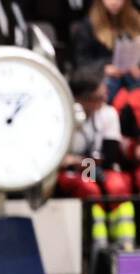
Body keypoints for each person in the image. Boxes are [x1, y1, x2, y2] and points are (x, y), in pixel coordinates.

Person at [59, 68, 136, 249]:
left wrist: (78, 161)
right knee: (89, 188)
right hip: (71, 172)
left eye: (104, 96)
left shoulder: (108, 114)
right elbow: (60, 160)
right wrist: (82, 163)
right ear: (81, 100)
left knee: (118, 185)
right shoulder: (63, 116)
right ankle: (97, 246)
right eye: (98, 98)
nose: (104, 100)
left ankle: (126, 245)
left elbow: (109, 158)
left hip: (91, 167)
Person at [71, 0, 140, 113]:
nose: (115, 2)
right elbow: (81, 64)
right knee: (107, 87)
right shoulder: (87, 27)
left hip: (130, 75)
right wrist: (105, 68)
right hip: (102, 77)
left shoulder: (135, 21)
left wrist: (136, 66)